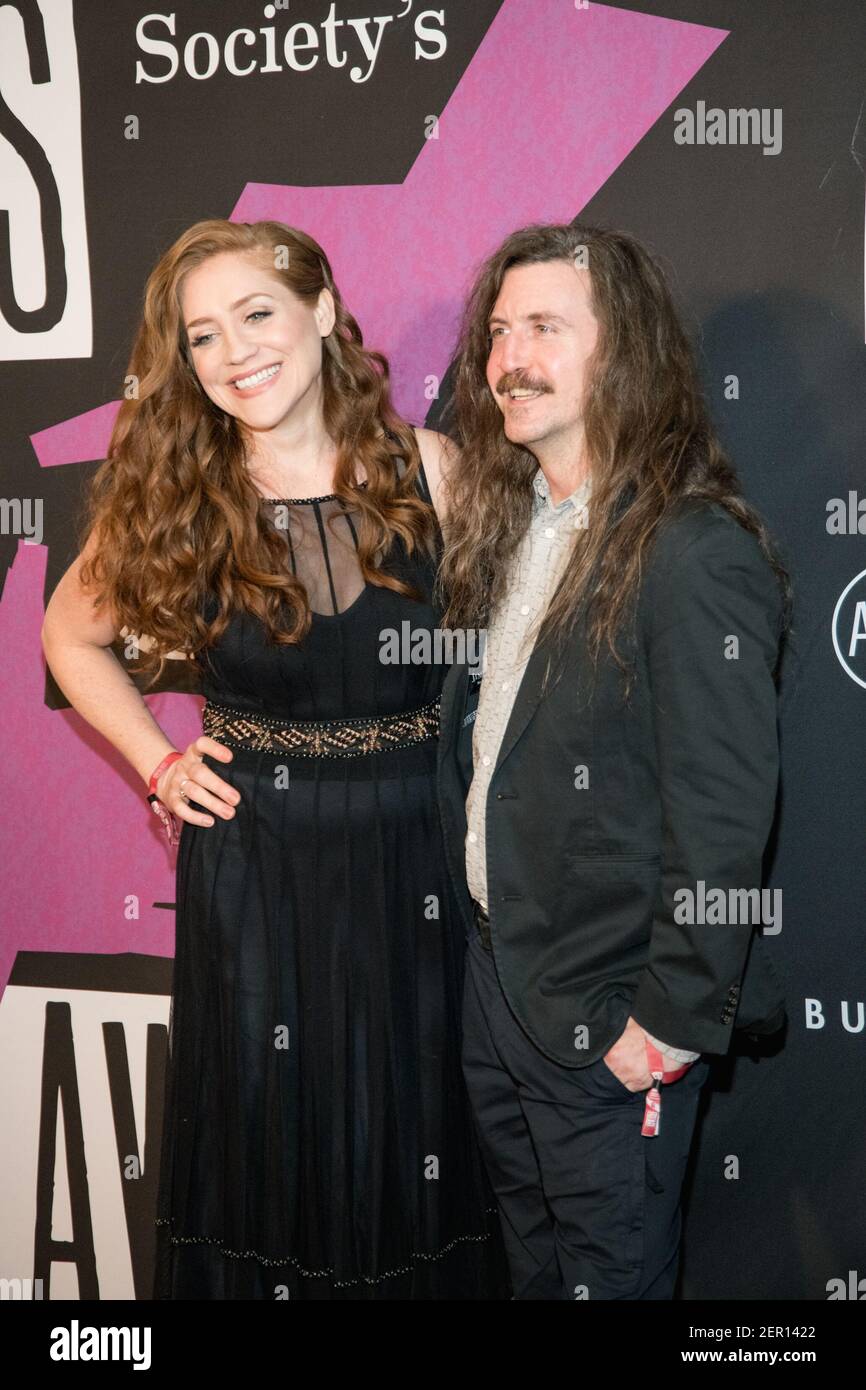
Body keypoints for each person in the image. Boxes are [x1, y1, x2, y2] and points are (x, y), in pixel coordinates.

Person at [41, 218, 509, 1300]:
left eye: (256, 313)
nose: (234, 351)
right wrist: (157, 764)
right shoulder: (175, 497)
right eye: (201, 336)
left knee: (412, 1129)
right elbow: (69, 635)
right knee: (269, 1129)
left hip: (418, 857)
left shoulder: (433, 469)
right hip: (255, 863)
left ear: (323, 311)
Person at [433, 221, 790, 1300]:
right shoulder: (511, 528)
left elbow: (725, 820)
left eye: (544, 326)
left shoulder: (690, 547)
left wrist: (666, 1029)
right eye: (498, 331)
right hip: (502, 993)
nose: (508, 360)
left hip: (608, 1016)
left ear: (623, 351)